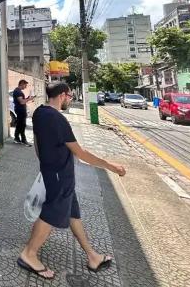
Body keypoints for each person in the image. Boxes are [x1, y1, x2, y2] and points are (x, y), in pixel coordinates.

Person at [17, 82, 126, 280]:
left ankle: (92, 256)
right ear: (62, 95)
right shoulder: (58, 119)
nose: (70, 100)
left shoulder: (39, 112)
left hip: (55, 173)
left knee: (73, 214)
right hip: (59, 175)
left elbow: (38, 144)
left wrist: (44, 164)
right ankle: (29, 254)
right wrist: (111, 166)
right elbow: (81, 153)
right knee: (51, 214)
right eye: (70, 96)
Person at [13, 79, 35, 145]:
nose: (26, 86)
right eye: (25, 85)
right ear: (21, 84)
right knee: (22, 125)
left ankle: (16, 138)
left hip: (20, 110)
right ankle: (23, 139)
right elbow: (22, 102)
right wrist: (30, 99)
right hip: (20, 111)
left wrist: (27, 98)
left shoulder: (18, 91)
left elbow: (22, 100)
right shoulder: (18, 91)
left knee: (19, 125)